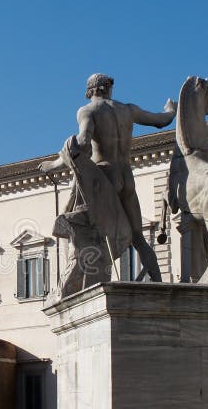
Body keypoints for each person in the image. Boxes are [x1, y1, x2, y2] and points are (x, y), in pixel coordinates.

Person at [40, 73, 176, 286]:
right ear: (107, 88)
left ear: (91, 90)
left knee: (92, 234)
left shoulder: (88, 111)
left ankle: (85, 283)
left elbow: (83, 143)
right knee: (138, 237)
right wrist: (171, 109)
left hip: (104, 178)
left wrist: (54, 164)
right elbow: (162, 120)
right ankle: (160, 286)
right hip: (126, 176)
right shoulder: (128, 110)